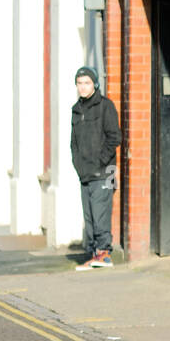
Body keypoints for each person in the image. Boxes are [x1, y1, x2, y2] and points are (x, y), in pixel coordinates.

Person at [70, 66, 121, 269]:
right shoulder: (76, 109)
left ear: (94, 84)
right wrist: (78, 164)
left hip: (104, 171)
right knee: (89, 216)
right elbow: (73, 143)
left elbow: (114, 137)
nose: (83, 87)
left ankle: (104, 254)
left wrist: (100, 161)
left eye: (87, 83)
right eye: (79, 83)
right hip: (85, 173)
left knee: (100, 214)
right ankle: (95, 255)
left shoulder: (105, 106)